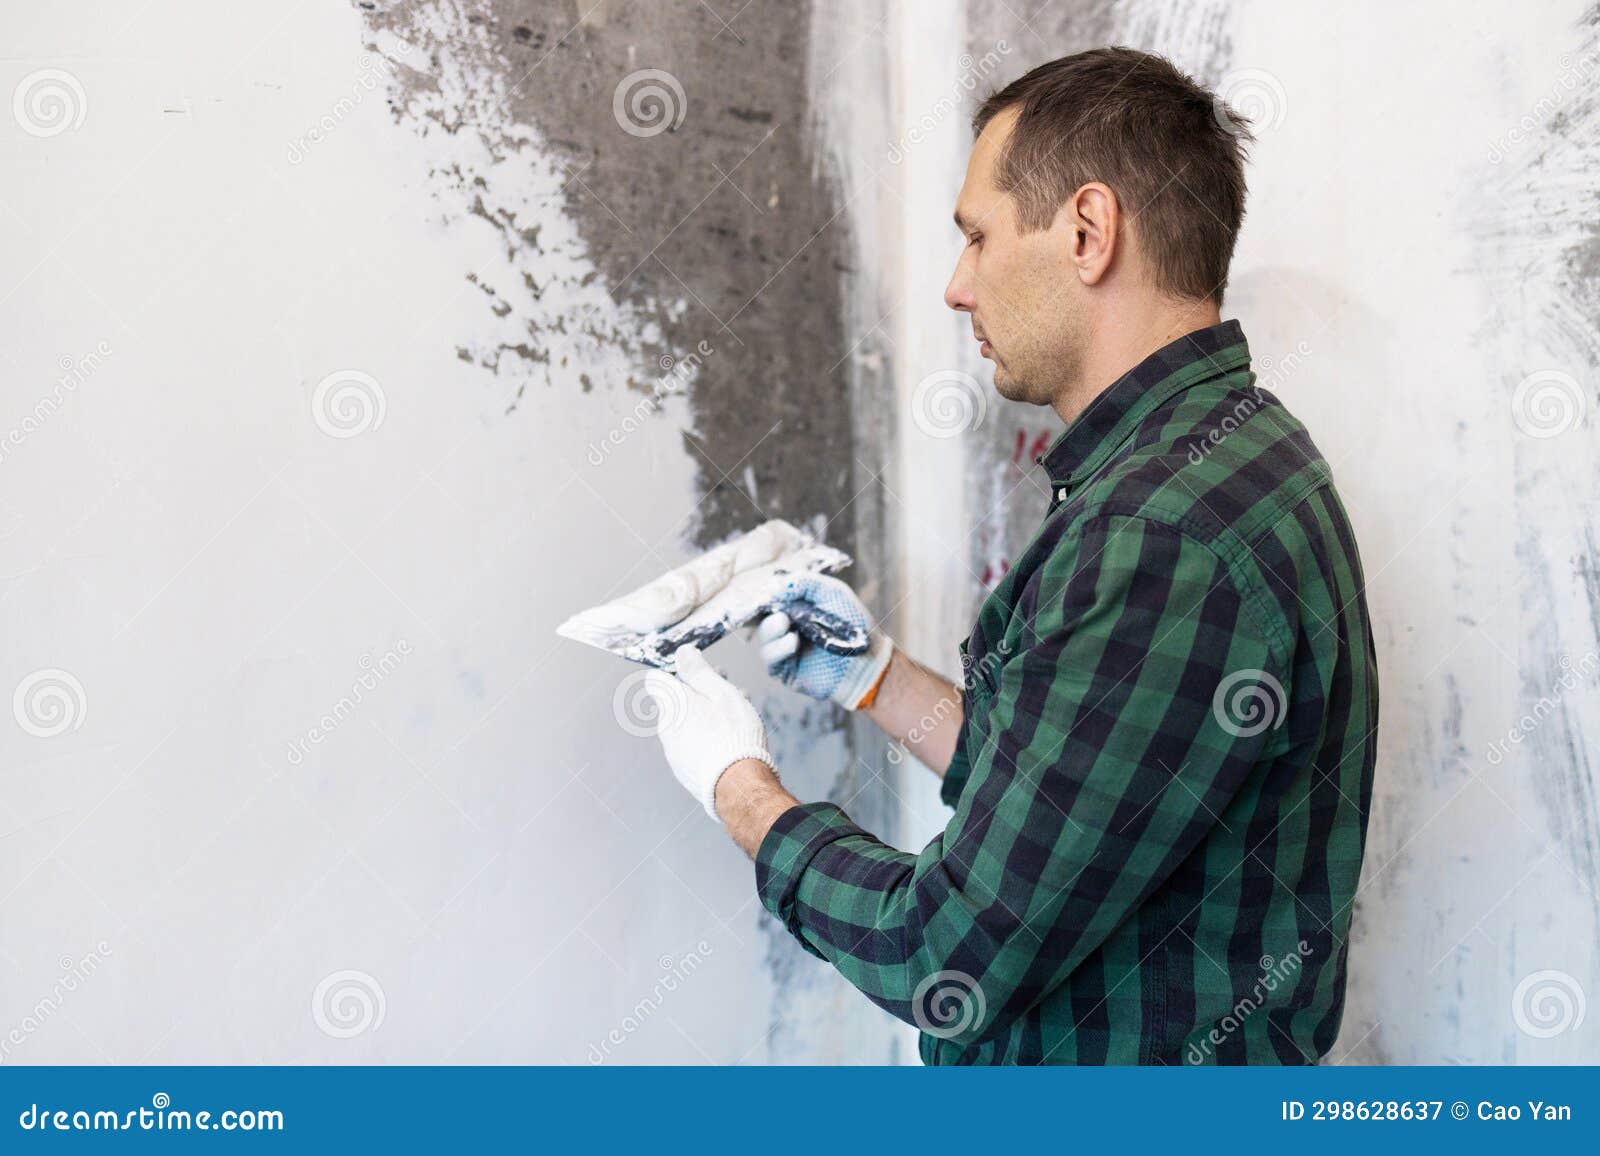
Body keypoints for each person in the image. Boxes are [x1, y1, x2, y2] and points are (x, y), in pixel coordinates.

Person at [643, 46, 1379, 1065]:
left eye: (977, 237)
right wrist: (876, 681)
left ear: (1086, 231)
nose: (954, 287)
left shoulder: (1158, 533)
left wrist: (740, 788)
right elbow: (1079, 793)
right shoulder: (1237, 452)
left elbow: (944, 951)